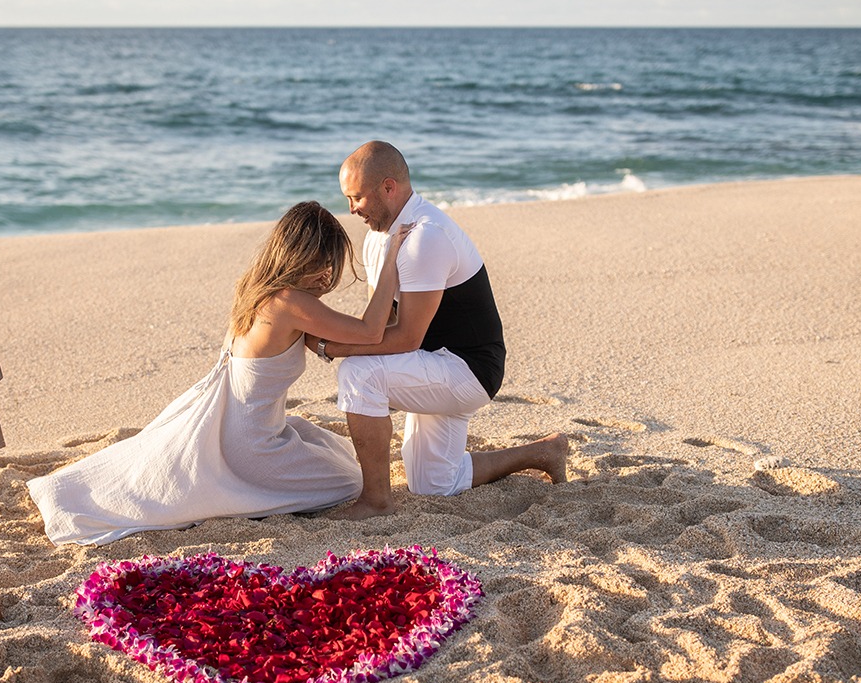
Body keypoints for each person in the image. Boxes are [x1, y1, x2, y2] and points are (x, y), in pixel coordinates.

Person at [28, 201, 414, 544]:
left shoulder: (257, 290)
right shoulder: (290, 302)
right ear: (302, 256)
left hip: (242, 426)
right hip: (251, 444)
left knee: (329, 445)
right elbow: (369, 331)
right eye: (324, 262)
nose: (328, 274)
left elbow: (332, 342)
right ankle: (252, 490)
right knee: (348, 481)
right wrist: (392, 260)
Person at [312, 141, 568, 520]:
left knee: (357, 373)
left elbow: (406, 338)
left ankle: (375, 501)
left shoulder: (425, 237)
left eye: (357, 198)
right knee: (433, 483)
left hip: (467, 370)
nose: (351, 210)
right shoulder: (378, 237)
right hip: (432, 361)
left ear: (388, 187)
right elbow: (378, 325)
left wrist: (330, 347)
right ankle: (543, 452)